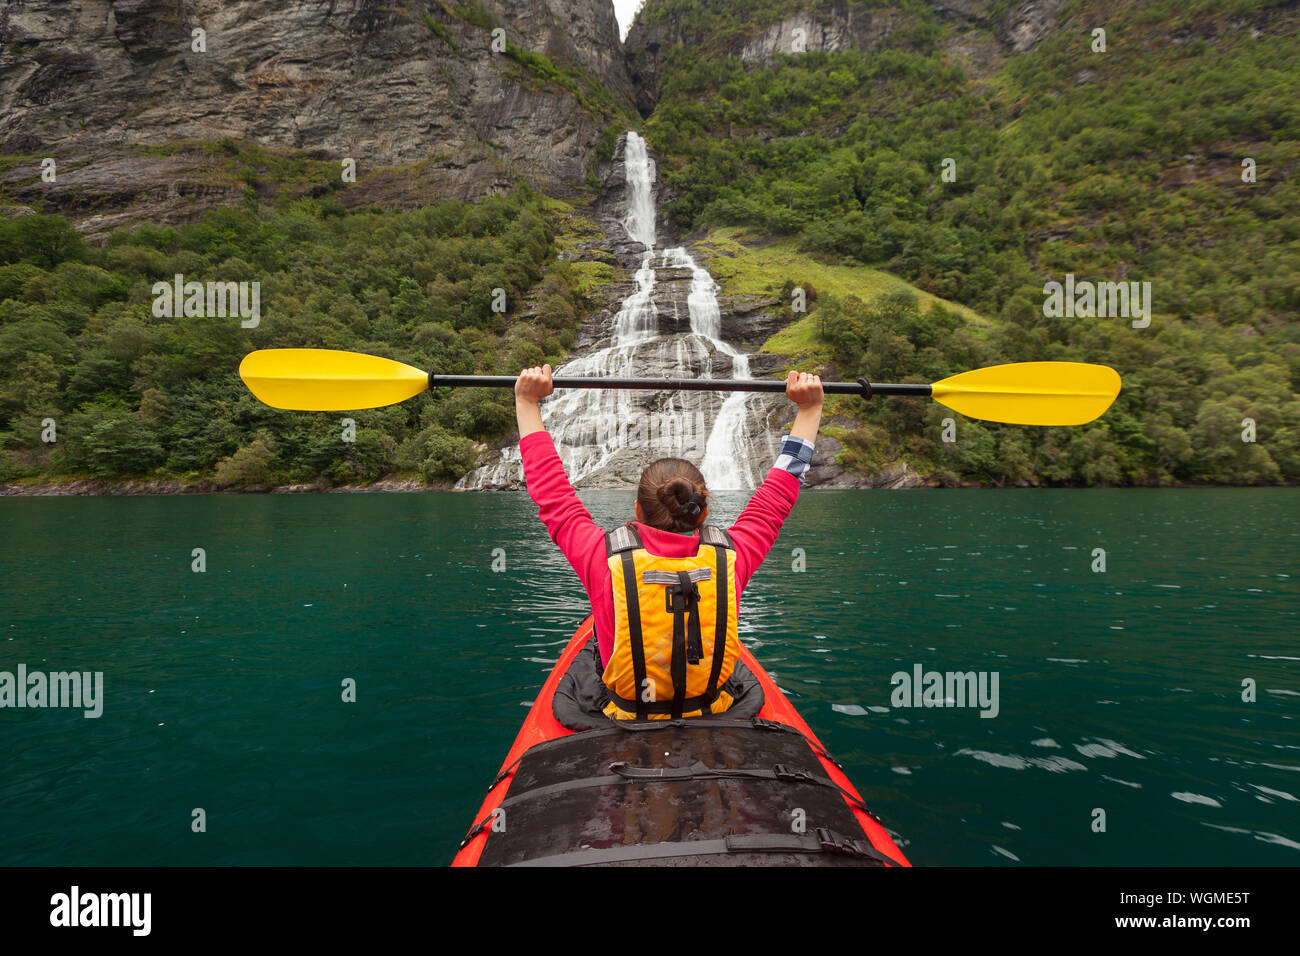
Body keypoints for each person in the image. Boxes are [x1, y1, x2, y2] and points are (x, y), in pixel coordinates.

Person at [515, 364, 824, 720]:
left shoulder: (600, 558)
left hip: (628, 713)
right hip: (712, 709)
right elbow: (776, 497)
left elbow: (552, 494)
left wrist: (526, 401)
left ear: (636, 510)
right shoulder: (733, 557)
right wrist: (810, 409)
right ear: (702, 512)